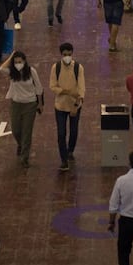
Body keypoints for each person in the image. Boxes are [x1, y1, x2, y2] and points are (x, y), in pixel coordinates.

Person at [0, 51, 42, 167]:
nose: (18, 64)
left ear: (24, 61)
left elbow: (39, 87)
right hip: (16, 104)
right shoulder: (12, 73)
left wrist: (40, 104)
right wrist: (11, 56)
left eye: (20, 62)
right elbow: (1, 69)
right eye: (16, 62)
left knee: (27, 132)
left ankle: (25, 157)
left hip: (30, 104)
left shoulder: (31, 71)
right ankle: (20, 144)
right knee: (16, 130)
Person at [49, 42, 86, 172]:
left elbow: (81, 89)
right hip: (60, 105)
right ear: (61, 54)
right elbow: (52, 86)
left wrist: (76, 105)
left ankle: (70, 150)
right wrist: (66, 91)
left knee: (74, 131)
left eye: (69, 54)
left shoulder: (78, 68)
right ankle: (64, 160)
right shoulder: (56, 67)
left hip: (75, 105)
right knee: (61, 133)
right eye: (65, 55)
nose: (67, 57)